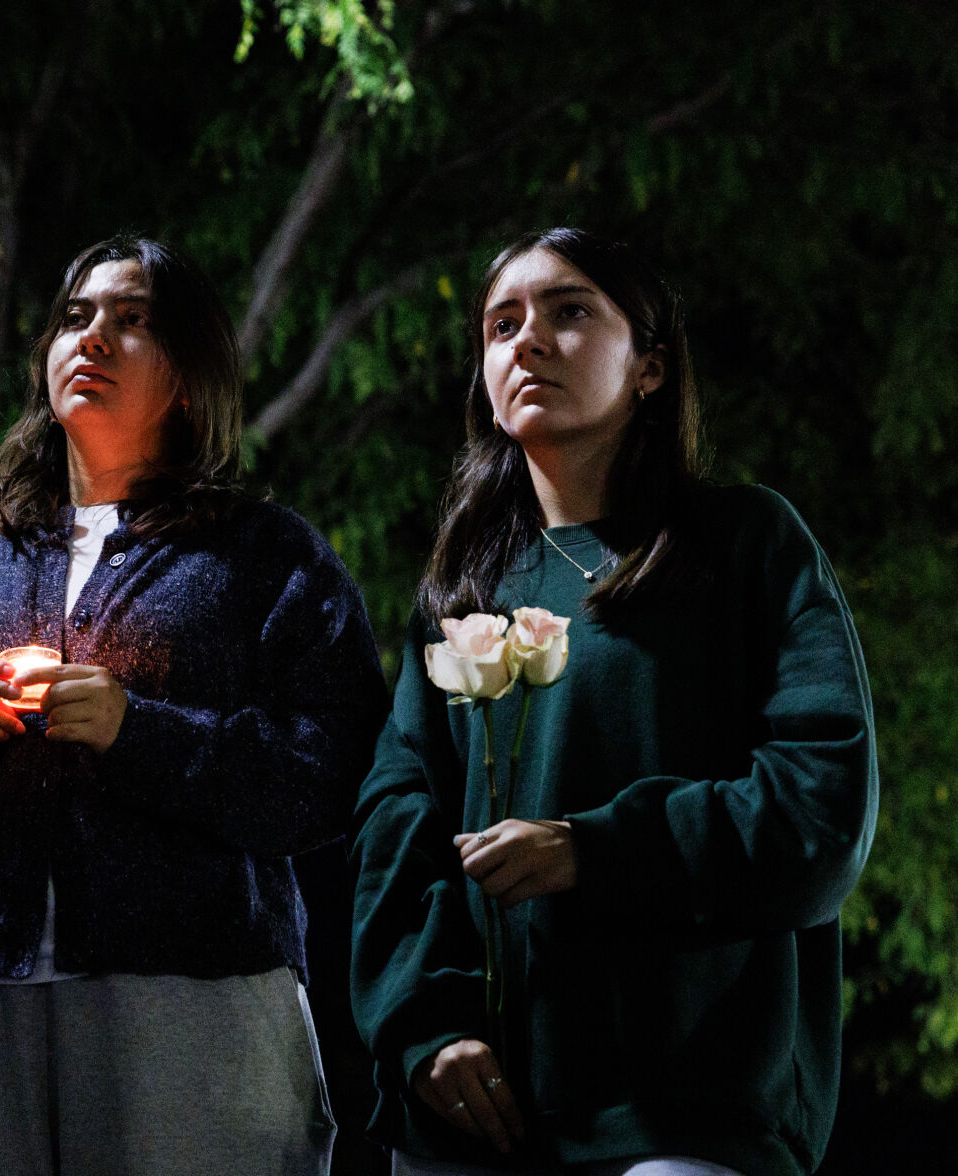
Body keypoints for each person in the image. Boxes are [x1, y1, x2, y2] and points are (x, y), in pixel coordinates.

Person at [348, 228, 877, 1176]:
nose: (527, 340)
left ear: (649, 367)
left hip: (680, 1114)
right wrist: (423, 1028)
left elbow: (818, 806)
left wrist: (593, 849)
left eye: (570, 311)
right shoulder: (458, 592)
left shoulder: (742, 543)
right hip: (479, 1122)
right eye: (500, 324)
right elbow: (396, 827)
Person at [0, 235, 386, 1175]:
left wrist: (139, 732)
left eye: (131, 321)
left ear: (186, 377)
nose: (92, 337)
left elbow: (332, 777)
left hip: (194, 1009)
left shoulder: (263, 558)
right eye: (74, 317)